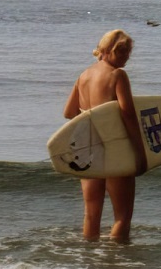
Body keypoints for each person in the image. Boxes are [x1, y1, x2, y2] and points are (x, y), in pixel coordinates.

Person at [62, 29, 148, 242]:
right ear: (106, 51)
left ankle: (91, 264)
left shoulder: (84, 75)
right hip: (114, 148)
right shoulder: (117, 75)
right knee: (123, 216)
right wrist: (140, 151)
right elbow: (128, 114)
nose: (126, 56)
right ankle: (117, 266)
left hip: (87, 149)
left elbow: (69, 113)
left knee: (91, 214)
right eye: (121, 52)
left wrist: (92, 120)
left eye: (128, 52)